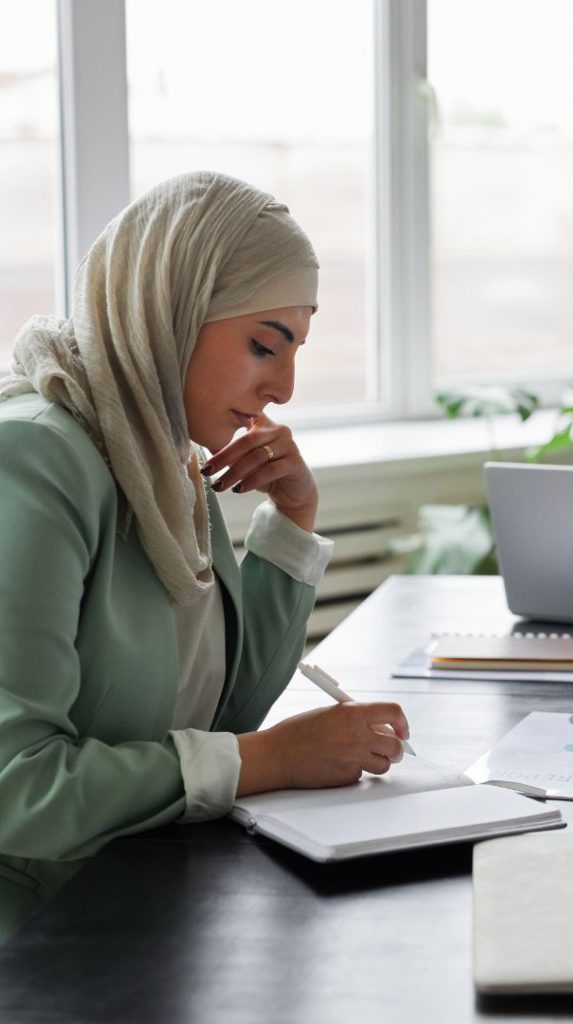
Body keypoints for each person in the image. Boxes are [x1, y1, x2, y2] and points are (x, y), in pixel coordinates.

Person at [0, 171, 410, 941]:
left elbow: (228, 717)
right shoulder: (34, 457)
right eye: (264, 345)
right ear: (174, 313)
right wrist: (269, 761)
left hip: (135, 905)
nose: (283, 388)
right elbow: (15, 787)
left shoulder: (164, 458)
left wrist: (292, 519)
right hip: (35, 938)